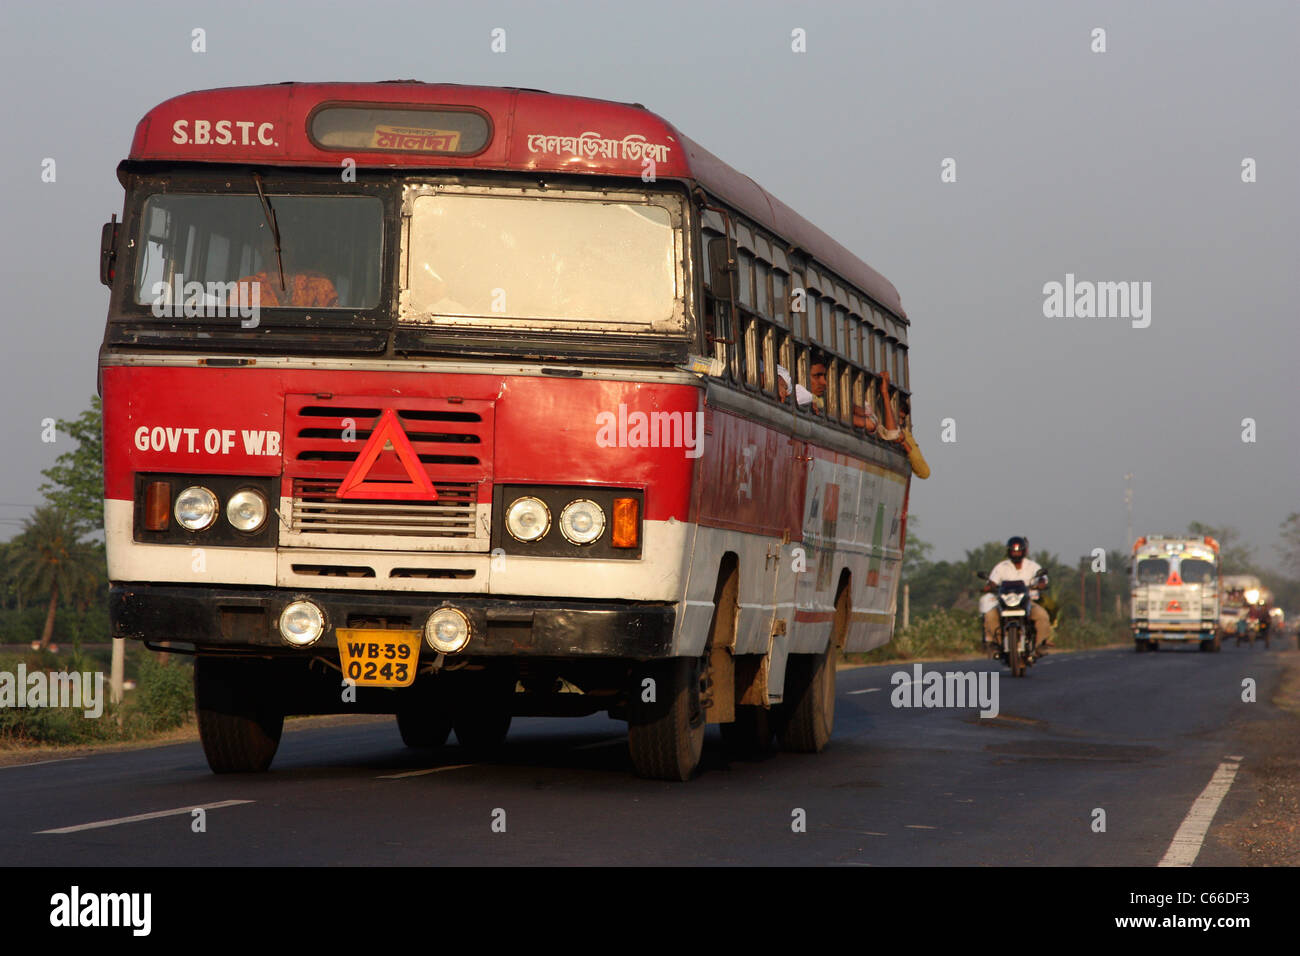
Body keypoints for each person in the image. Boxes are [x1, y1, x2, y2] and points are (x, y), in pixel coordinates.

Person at [982, 536, 1053, 649]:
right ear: (1009, 552)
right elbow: (992, 581)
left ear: (1024, 551)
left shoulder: (1032, 566)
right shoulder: (1001, 567)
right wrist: (990, 586)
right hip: (1004, 603)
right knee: (990, 616)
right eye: (1013, 552)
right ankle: (996, 644)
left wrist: (1041, 583)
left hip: (1027, 602)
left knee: (1042, 616)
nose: (1016, 554)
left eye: (1019, 551)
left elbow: (1042, 578)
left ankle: (1040, 645)